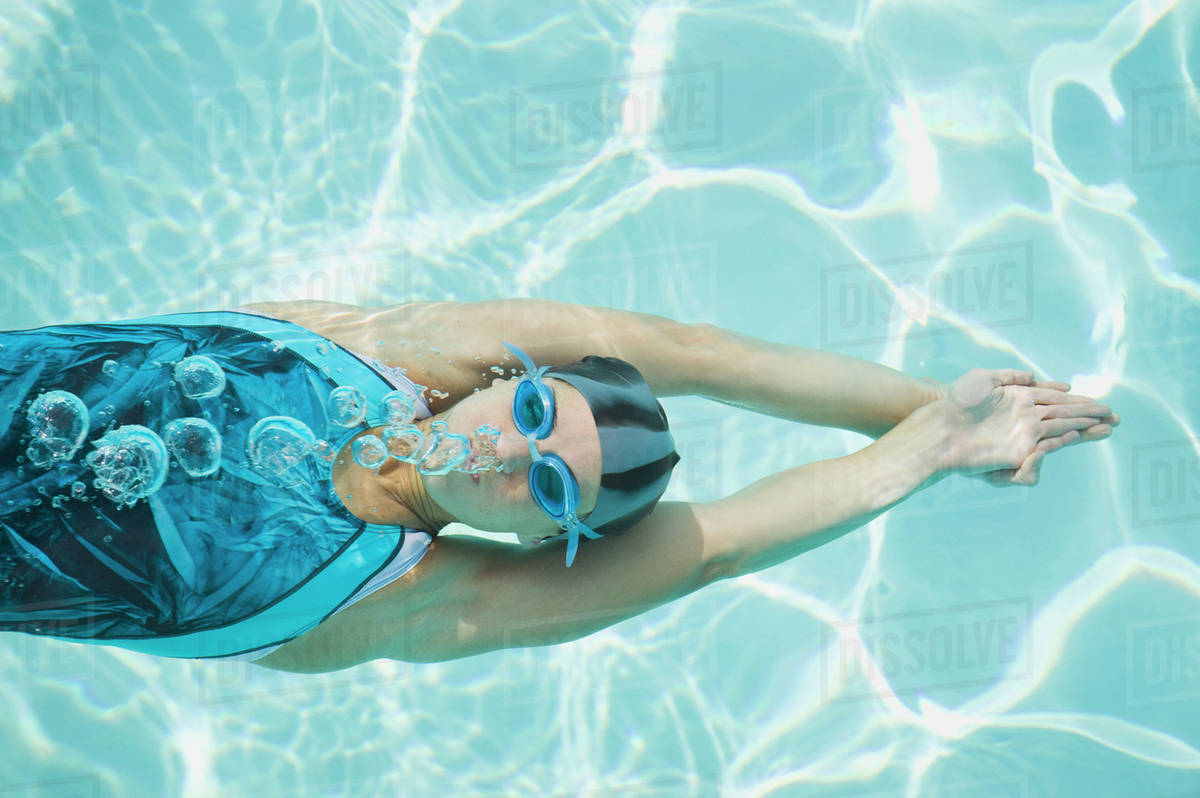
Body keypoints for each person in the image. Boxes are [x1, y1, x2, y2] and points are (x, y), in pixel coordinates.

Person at [0, 298, 1119, 671]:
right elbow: (708, 356)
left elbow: (716, 545)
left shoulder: (410, 595)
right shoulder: (384, 344)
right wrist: (932, 399)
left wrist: (921, 454)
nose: (503, 451)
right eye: (532, 414)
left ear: (546, 545)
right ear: (510, 379)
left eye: (546, 488)